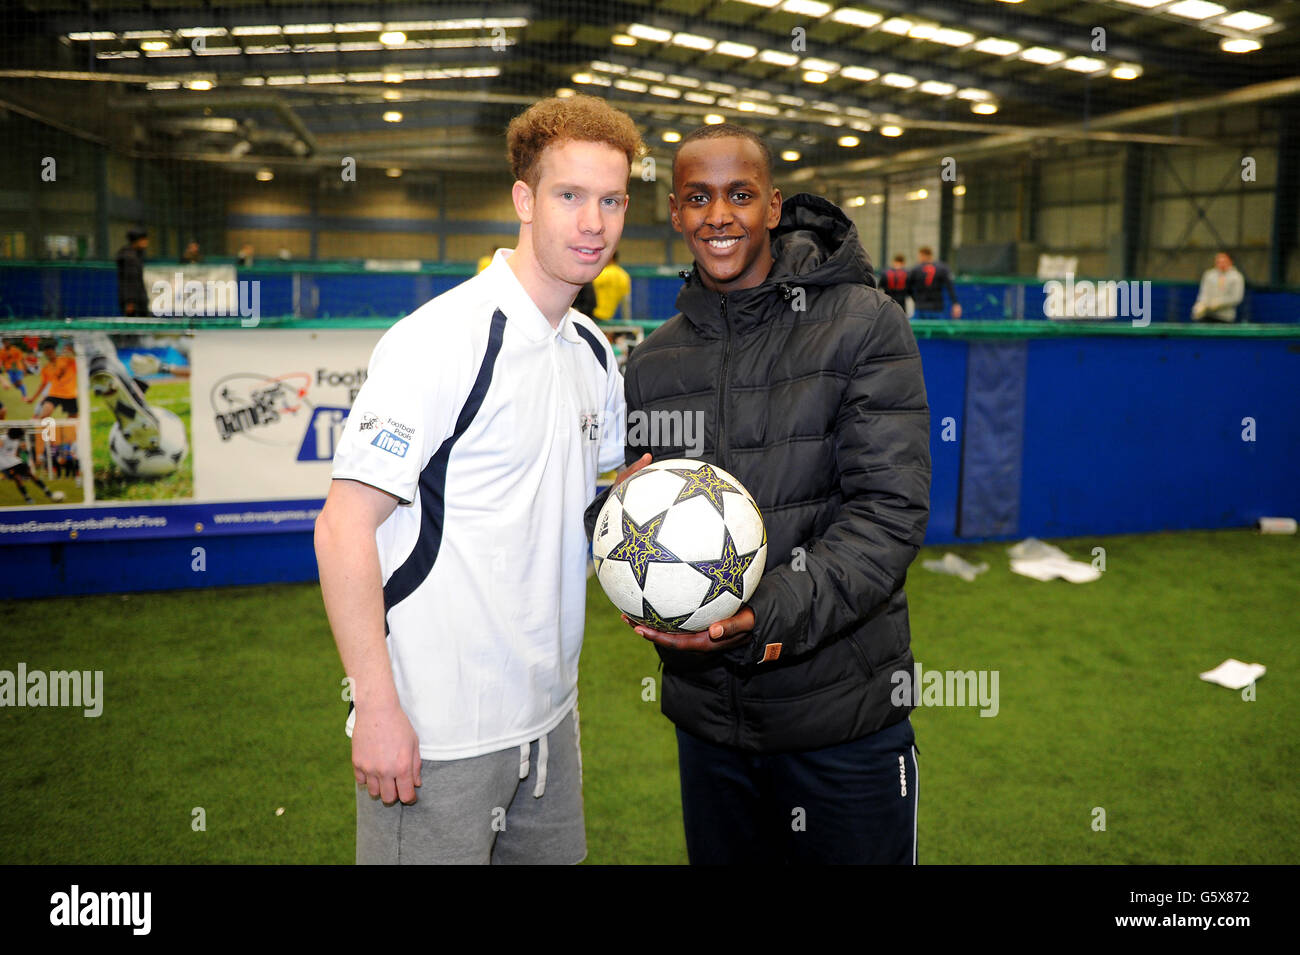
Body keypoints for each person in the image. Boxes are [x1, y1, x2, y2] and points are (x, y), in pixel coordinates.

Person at [315, 94, 644, 865]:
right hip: (438, 729)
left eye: (611, 200)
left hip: (549, 723)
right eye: (570, 196)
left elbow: (587, 510)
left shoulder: (594, 353)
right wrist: (378, 705)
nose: (593, 222)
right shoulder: (441, 340)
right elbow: (341, 527)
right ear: (524, 200)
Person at [589, 123, 931, 864]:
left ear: (773, 207)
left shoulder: (863, 324)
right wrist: (615, 529)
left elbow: (888, 515)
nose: (720, 215)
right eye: (699, 198)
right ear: (676, 213)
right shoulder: (652, 363)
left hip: (844, 722)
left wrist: (762, 615)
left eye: (740, 195)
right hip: (711, 730)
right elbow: (634, 508)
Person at [908, 245, 961, 320]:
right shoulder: (942, 268)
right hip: (937, 307)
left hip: (921, 307)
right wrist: (955, 303)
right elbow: (950, 287)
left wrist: (915, 299)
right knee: (937, 330)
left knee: (918, 330)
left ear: (923, 255)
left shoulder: (915, 269)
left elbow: (908, 287)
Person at [1192, 252, 1245, 322]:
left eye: (1224, 261)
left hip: (1225, 317)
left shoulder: (1236, 277)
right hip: (1206, 315)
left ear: (1230, 261)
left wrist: (1218, 303)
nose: (1221, 264)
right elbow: (1204, 293)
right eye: (1219, 262)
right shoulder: (1209, 275)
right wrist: (1201, 305)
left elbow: (1236, 298)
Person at [31, 343, 78, 421]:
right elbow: (43, 384)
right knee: (44, 416)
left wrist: (72, 350)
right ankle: (44, 432)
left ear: (54, 351)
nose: (49, 355)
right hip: (54, 394)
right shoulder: (46, 368)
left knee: (73, 421)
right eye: (47, 354)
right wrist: (33, 398)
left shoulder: (66, 360)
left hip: (70, 394)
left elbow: (80, 360)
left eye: (50, 352)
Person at [115, 228, 149, 317]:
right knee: (134, 327)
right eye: (144, 239)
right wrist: (129, 302)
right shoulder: (129, 258)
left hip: (138, 300)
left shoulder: (136, 255)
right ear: (137, 241)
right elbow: (129, 280)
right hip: (134, 302)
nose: (146, 242)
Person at [592, 250, 632, 321]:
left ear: (609, 257)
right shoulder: (624, 275)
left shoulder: (600, 274)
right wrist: (627, 323)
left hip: (592, 316)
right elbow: (626, 303)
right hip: (608, 318)